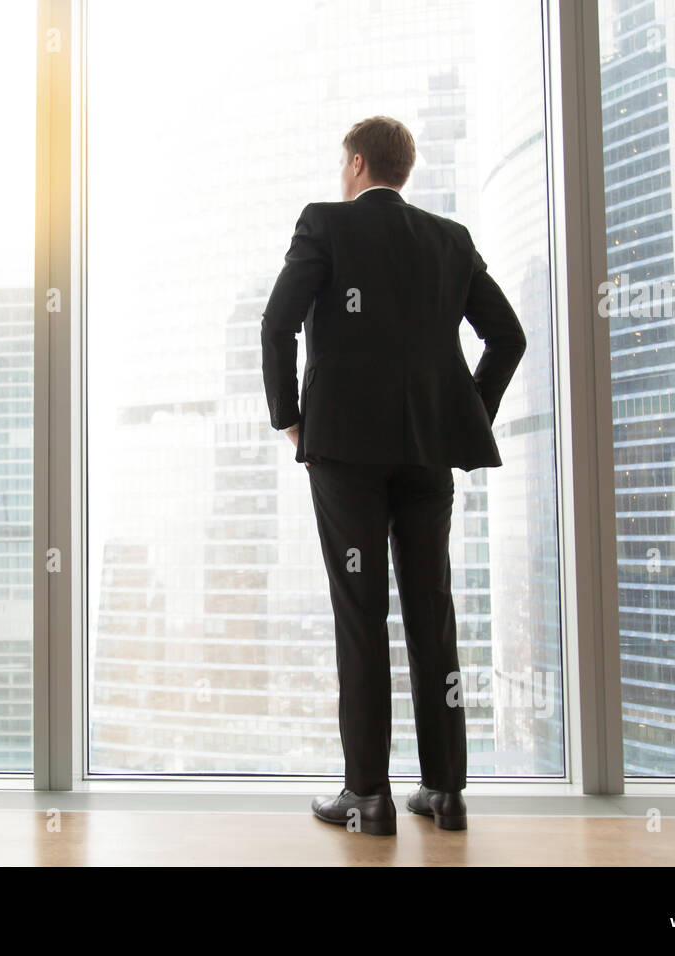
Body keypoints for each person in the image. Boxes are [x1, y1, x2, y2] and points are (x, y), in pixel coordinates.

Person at [260, 115, 526, 835]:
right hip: (426, 453)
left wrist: (291, 417)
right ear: (401, 171)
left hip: (345, 449)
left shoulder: (325, 225)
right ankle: (445, 791)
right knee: (430, 610)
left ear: (354, 164)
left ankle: (368, 797)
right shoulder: (449, 239)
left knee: (361, 611)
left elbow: (277, 321)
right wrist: (462, 411)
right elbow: (509, 337)